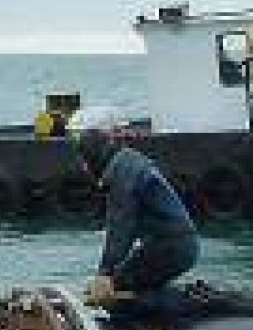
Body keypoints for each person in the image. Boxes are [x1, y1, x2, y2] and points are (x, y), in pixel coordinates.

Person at [74, 125, 199, 307]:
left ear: (94, 155)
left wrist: (105, 275)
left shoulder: (122, 174)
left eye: (84, 161)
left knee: (117, 288)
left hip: (171, 246)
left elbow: (120, 229)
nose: (85, 169)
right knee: (128, 280)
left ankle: (174, 313)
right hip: (173, 244)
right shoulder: (128, 161)